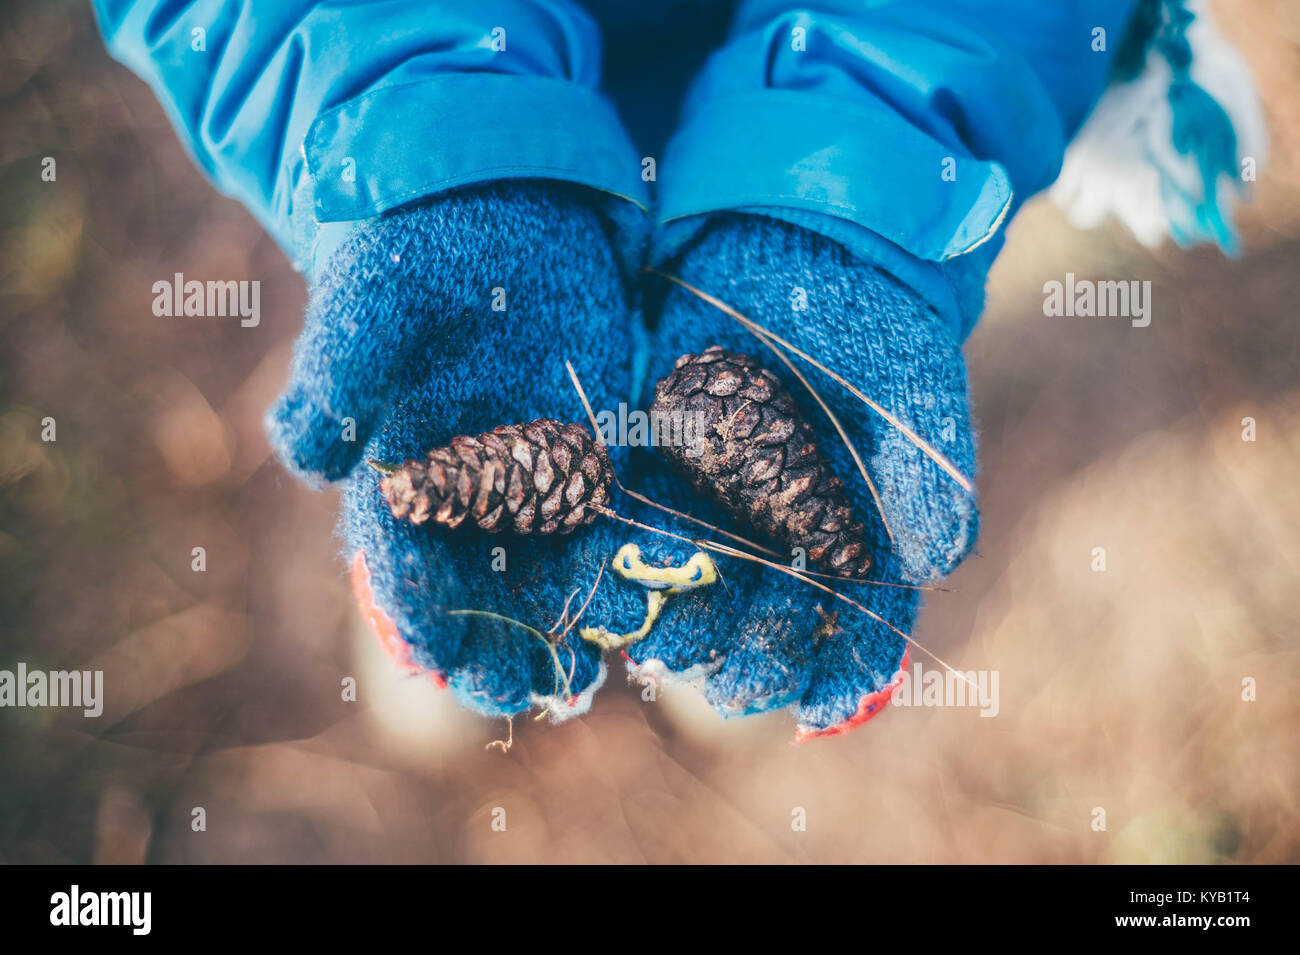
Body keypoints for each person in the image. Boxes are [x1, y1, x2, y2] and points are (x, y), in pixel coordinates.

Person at [91, 0, 1260, 739]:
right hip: (473, 100)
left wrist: (856, 162)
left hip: (796, 98)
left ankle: (689, 634)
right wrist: (422, 123)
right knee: (439, 416)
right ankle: (475, 609)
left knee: (747, 609)